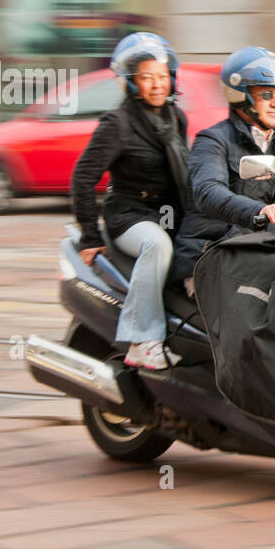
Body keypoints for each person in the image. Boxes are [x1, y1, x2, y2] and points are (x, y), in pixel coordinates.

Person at [71, 32, 189, 369]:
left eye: (162, 75)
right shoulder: (117, 124)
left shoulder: (175, 118)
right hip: (130, 215)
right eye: (147, 77)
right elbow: (82, 178)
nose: (157, 84)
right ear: (132, 82)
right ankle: (141, 340)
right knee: (158, 247)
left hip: (169, 212)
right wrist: (90, 236)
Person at [172, 46, 275, 292]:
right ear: (239, 96)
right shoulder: (213, 141)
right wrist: (262, 209)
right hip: (212, 253)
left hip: (263, 248)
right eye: (266, 95)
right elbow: (208, 191)